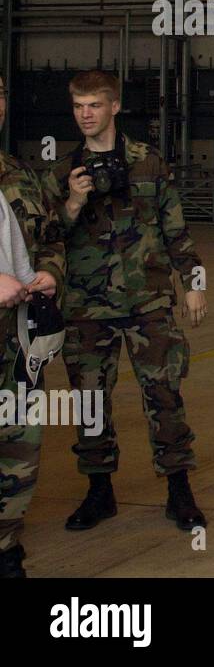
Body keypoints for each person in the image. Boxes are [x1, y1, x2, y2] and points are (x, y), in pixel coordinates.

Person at [45, 70, 207, 533]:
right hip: (86, 307)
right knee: (90, 401)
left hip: (148, 301)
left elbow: (176, 229)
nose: (85, 115)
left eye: (94, 105)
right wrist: (73, 202)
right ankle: (99, 491)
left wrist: (194, 281)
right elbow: (47, 239)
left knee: (165, 395)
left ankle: (180, 491)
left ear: (114, 106)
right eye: (77, 106)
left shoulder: (148, 162)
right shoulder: (62, 171)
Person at [0, 72, 66, 577]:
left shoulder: (17, 173)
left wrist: (50, 269)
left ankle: (6, 542)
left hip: (20, 337)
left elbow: (49, 234)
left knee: (20, 441)